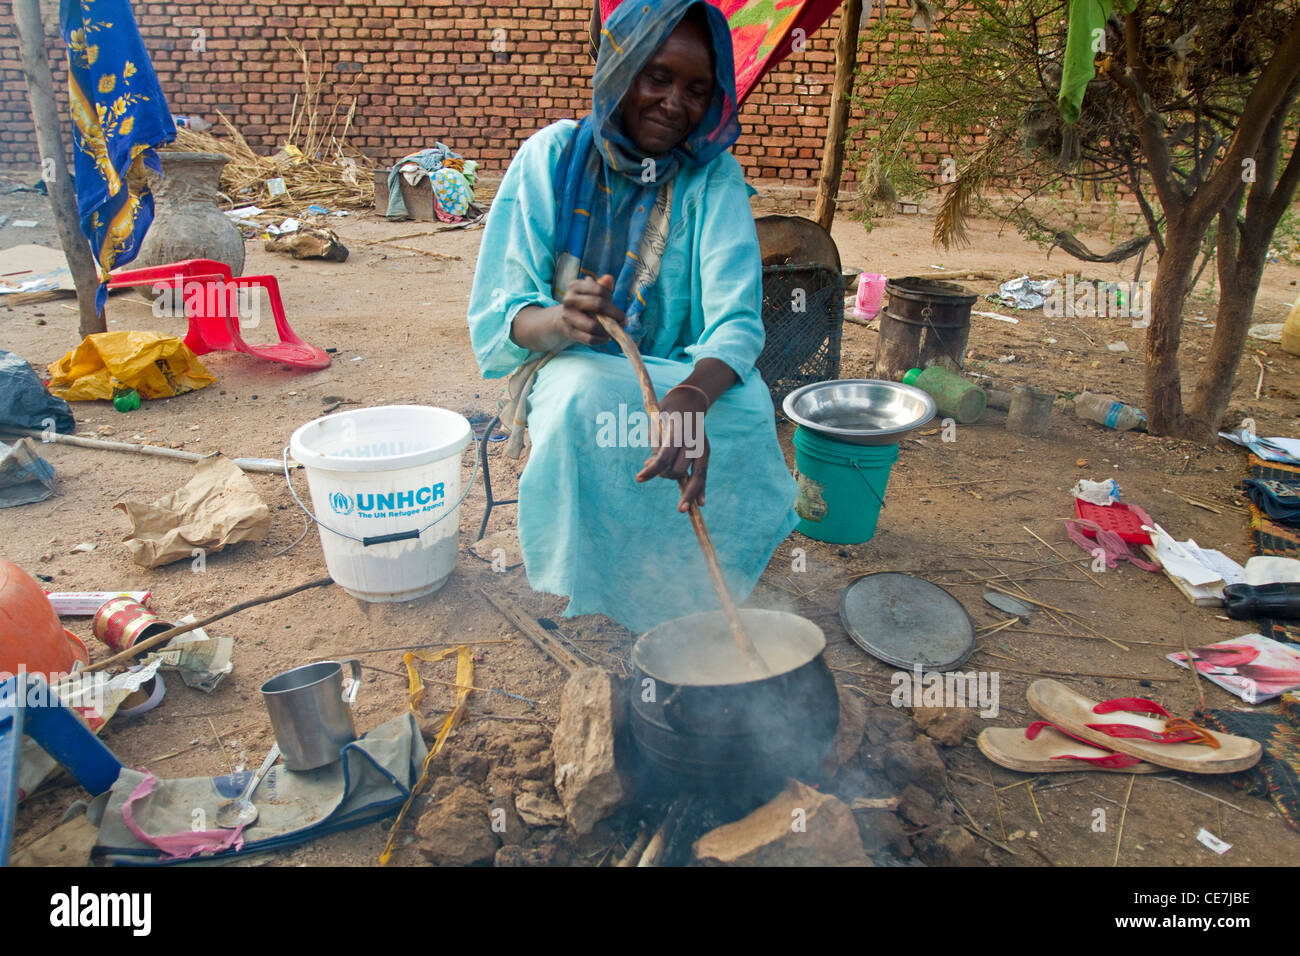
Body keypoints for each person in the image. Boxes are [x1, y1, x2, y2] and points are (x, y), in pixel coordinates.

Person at [466, 0, 797, 634]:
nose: (676, 103)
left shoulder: (713, 178)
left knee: (747, 409)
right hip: (574, 364)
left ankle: (689, 597)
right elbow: (503, 317)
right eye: (658, 77)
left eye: (698, 89)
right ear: (620, 68)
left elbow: (736, 322)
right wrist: (564, 322)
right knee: (582, 395)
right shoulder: (551, 159)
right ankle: (595, 585)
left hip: (679, 375)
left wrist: (694, 395)